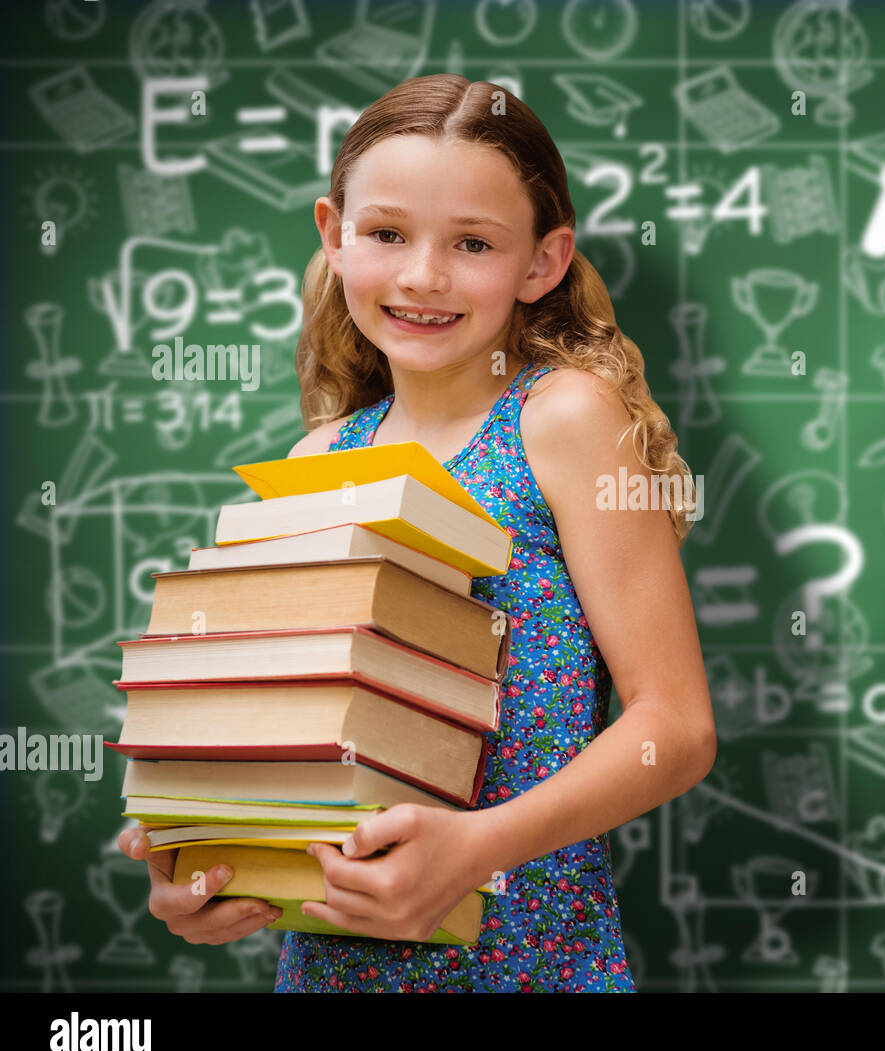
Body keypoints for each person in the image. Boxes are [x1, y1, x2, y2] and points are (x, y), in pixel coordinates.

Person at [117, 73, 716, 992]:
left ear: (543, 263)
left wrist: (478, 846)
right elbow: (290, 732)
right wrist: (202, 854)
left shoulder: (564, 421)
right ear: (333, 234)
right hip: (331, 969)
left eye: (472, 242)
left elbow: (673, 728)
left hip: (530, 962)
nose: (422, 275)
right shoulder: (317, 456)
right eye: (387, 233)